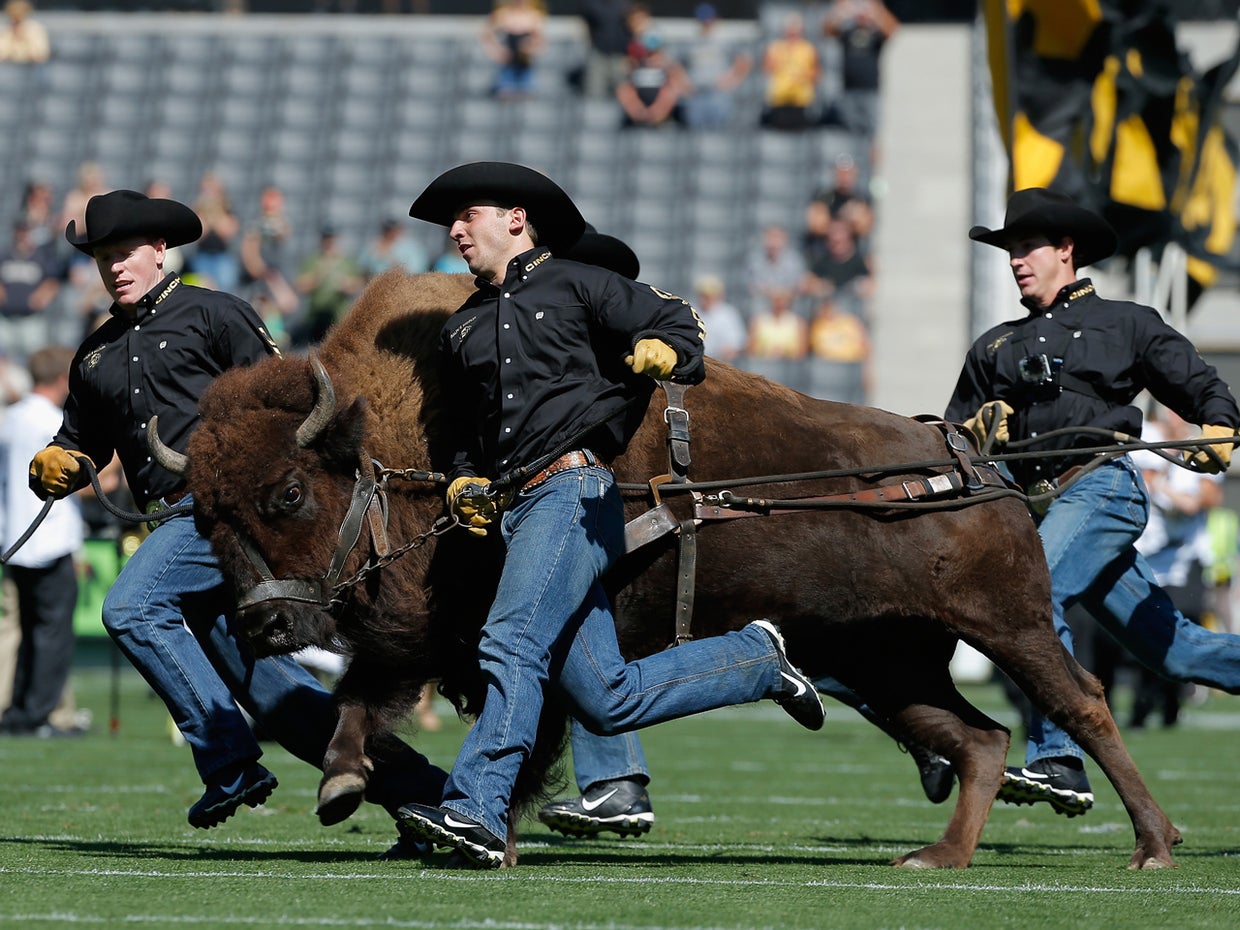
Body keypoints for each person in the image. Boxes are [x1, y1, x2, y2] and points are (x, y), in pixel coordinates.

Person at [397, 161, 824, 868]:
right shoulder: (462, 327)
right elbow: (466, 436)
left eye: (468, 214)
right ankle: (754, 660)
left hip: (572, 493)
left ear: (514, 218)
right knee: (606, 697)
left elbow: (677, 320)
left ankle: (473, 809)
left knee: (509, 644)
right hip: (514, 512)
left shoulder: (578, 281)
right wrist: (464, 480)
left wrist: (668, 350)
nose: (455, 230)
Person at [27, 189, 446, 839]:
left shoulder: (215, 314)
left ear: (159, 251)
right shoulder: (95, 356)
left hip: (223, 512)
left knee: (131, 608)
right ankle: (430, 799)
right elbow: (81, 442)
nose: (116, 266)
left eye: (127, 252)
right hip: (168, 522)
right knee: (282, 701)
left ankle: (226, 759)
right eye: (104, 256)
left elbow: (288, 400)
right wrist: (54, 460)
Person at [945, 187, 1240, 816]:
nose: (1017, 261)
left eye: (1028, 248)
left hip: (1101, 485)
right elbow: (952, 437)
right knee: (1178, 650)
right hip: (1031, 509)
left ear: (1066, 251)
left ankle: (1058, 760)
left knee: (1030, 597)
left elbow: (1203, 387)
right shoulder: (993, 346)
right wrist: (976, 433)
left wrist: (1217, 427)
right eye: (1010, 251)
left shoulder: (1127, 322)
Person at [0, 346, 84, 737]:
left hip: (14, 540)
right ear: (63, 379)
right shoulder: (53, 422)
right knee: (51, 634)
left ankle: (19, 709)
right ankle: (40, 715)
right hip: (49, 539)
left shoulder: (10, 419)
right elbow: (82, 482)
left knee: (24, 631)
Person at [822, 0, 898, 144]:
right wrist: (840, 10)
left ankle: (869, 165)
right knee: (850, 133)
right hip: (849, 88)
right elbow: (827, 30)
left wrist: (877, 9)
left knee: (871, 133)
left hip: (870, 89)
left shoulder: (876, 34)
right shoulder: (848, 32)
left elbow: (893, 29)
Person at [678, 3, 752, 131]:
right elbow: (676, 66)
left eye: (708, 19)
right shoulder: (691, 41)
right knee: (695, 135)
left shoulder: (726, 39)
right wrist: (684, 84)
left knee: (719, 136)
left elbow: (744, 62)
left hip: (718, 94)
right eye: (703, 20)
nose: (706, 23)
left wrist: (731, 81)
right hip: (696, 93)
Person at [0, 219, 65, 360]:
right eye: (19, 232)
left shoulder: (40, 256)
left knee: (35, 360)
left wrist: (42, 296)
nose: (22, 236)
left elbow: (53, 281)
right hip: (6, 318)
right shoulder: (5, 255)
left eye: (25, 232)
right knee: (5, 361)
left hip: (32, 320)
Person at [293, 226, 364, 346]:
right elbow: (300, 285)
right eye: (326, 238)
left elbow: (359, 284)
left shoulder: (346, 261)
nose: (329, 241)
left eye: (331, 238)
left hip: (338, 317)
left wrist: (347, 285)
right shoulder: (313, 260)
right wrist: (317, 277)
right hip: (316, 317)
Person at [759, 12, 820, 131]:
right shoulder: (775, 47)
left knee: (801, 128)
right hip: (779, 99)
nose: (793, 32)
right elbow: (765, 69)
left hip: (800, 100)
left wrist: (802, 77)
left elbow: (816, 74)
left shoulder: (808, 48)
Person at [616, 34, 688, 129]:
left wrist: (657, 110)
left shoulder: (670, 68)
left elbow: (676, 89)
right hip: (638, 114)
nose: (653, 56)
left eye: (656, 52)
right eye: (650, 52)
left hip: (662, 115)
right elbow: (625, 90)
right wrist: (637, 110)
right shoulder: (636, 66)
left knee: (673, 93)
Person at [481, 0, 546, 101]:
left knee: (528, 94)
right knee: (504, 92)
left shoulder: (534, 16)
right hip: (507, 66)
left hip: (524, 65)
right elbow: (487, 36)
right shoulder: (501, 14)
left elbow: (540, 41)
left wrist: (529, 48)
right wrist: (498, 51)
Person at [694, 274, 746, 363]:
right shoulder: (692, 312)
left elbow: (736, 344)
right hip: (696, 362)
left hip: (720, 364)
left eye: (709, 296)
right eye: (704, 295)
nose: (706, 299)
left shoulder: (729, 314)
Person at [358, 217, 430, 281]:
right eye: (387, 231)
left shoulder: (412, 247)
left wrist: (390, 258)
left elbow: (417, 273)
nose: (390, 234)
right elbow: (362, 269)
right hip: (376, 286)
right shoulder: (373, 245)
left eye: (394, 230)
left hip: (402, 287)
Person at [0, 0, 49, 65]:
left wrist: (25, 38)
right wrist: (11, 38)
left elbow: (41, 55)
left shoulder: (36, 29)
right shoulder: (5, 31)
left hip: (30, 66)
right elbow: (2, 55)